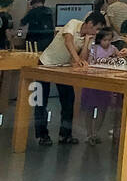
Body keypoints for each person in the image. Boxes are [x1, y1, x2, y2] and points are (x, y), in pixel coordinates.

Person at [34, 12, 101, 145]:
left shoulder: (90, 37)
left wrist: (87, 41)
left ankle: (65, 135)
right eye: (97, 28)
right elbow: (68, 41)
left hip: (63, 68)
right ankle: (42, 135)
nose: (97, 32)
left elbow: (82, 58)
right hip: (46, 63)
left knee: (68, 99)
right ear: (89, 24)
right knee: (41, 101)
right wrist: (77, 59)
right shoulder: (73, 23)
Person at [80, 27, 119, 144]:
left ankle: (95, 132)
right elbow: (89, 61)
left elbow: (120, 59)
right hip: (92, 81)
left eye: (109, 40)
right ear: (100, 40)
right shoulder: (94, 49)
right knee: (89, 109)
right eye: (104, 40)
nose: (107, 43)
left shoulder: (113, 49)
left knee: (103, 109)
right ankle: (89, 133)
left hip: (105, 83)